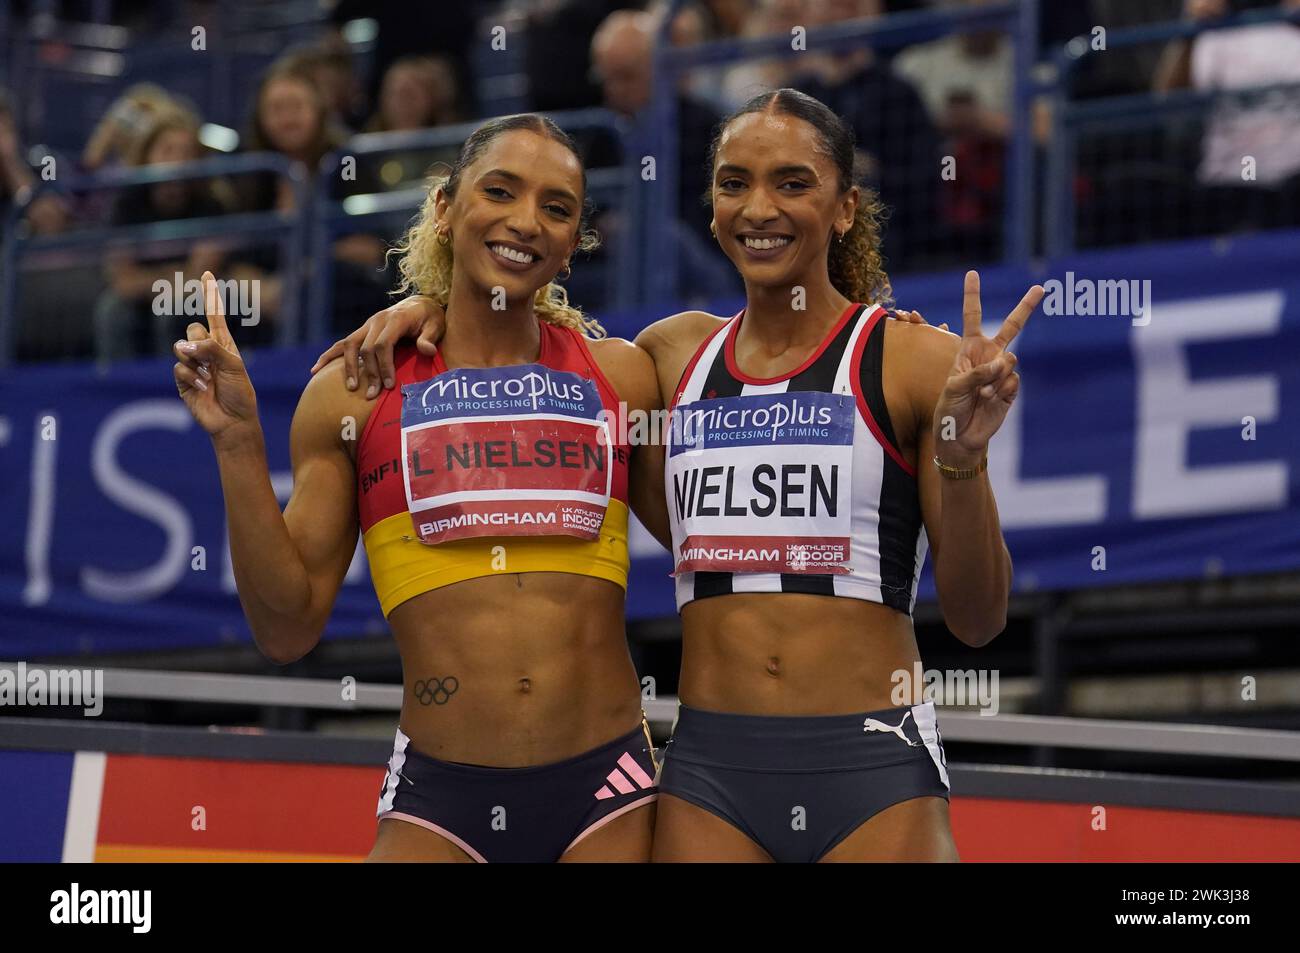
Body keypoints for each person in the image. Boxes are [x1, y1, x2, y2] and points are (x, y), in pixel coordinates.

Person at [314, 89, 1037, 862]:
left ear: (847, 207)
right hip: (709, 779)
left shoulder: (912, 361)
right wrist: (424, 303)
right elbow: (525, 328)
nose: (759, 208)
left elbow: (977, 618)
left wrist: (964, 455)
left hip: (874, 764)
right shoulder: (666, 360)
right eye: (735, 183)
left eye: (793, 183)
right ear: (713, 202)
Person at [173, 114, 663, 862]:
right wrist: (238, 443)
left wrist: (879, 325)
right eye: (500, 191)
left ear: (573, 244)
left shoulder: (624, 376)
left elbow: (724, 519)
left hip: (609, 789)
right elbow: (286, 627)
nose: (526, 221)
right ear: (444, 207)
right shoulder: (354, 394)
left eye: (557, 208)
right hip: (442, 801)